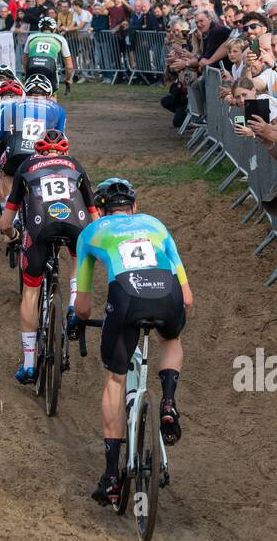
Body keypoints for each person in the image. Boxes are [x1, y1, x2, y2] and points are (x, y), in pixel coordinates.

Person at [73, 178, 192, 506]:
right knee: (171, 339)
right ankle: (168, 401)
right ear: (135, 207)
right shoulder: (155, 224)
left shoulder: (91, 233)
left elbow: (82, 306)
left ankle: (112, 476)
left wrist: (79, 321)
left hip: (126, 297)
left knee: (115, 378)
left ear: (98, 210)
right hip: (167, 294)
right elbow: (188, 297)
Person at [0, 129, 97, 385]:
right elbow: (95, 216)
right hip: (77, 225)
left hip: (39, 229)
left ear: (38, 150)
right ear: (64, 151)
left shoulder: (27, 166)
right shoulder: (75, 164)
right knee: (78, 255)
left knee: (30, 292)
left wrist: (11, 233)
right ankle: (74, 302)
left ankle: (29, 364)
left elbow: (6, 221)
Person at [0, 74, 67, 208]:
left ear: (26, 91)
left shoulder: (11, 107)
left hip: (16, 155)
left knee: (8, 176)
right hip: (42, 155)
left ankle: (9, 213)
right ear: (49, 93)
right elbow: (61, 141)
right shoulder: (59, 110)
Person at [22, 16, 74, 93]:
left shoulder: (31, 37)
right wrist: (68, 79)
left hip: (32, 65)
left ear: (40, 28)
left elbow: (24, 59)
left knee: (30, 92)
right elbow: (69, 66)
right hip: (50, 66)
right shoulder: (60, 39)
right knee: (52, 93)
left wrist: (28, 72)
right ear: (54, 29)